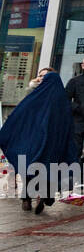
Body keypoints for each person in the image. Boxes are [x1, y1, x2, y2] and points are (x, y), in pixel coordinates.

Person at [0, 71, 79, 215]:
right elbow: (68, 126)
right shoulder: (63, 102)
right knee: (49, 172)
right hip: (53, 146)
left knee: (29, 170)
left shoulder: (35, 97)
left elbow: (19, 115)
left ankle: (26, 198)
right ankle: (42, 196)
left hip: (34, 143)